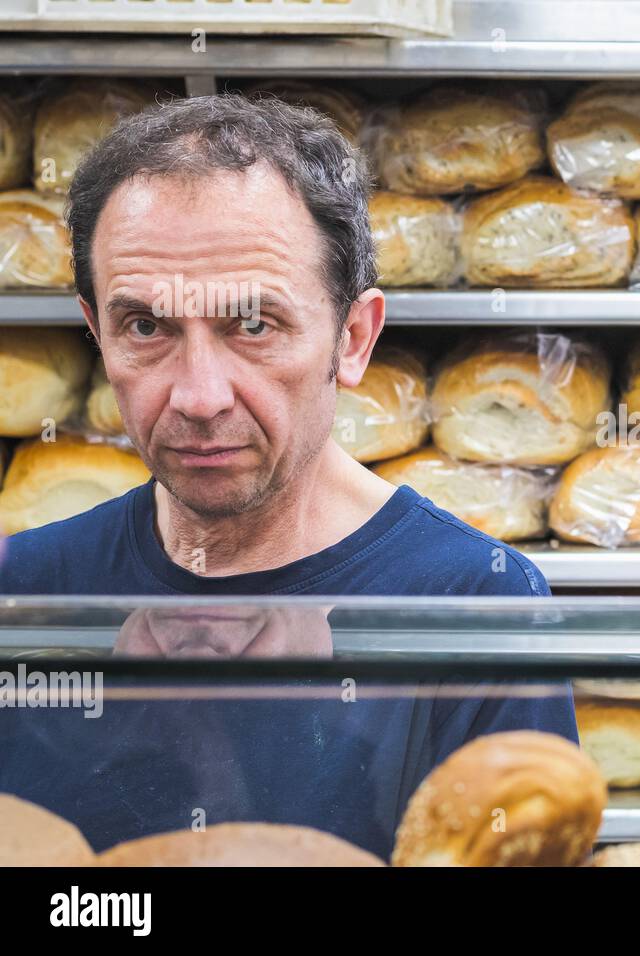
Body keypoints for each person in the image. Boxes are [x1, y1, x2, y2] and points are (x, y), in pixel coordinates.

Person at [0, 95, 576, 857]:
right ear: (95, 331)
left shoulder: (476, 602)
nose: (199, 397)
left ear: (354, 337)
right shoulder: (28, 589)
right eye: (145, 327)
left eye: (254, 326)